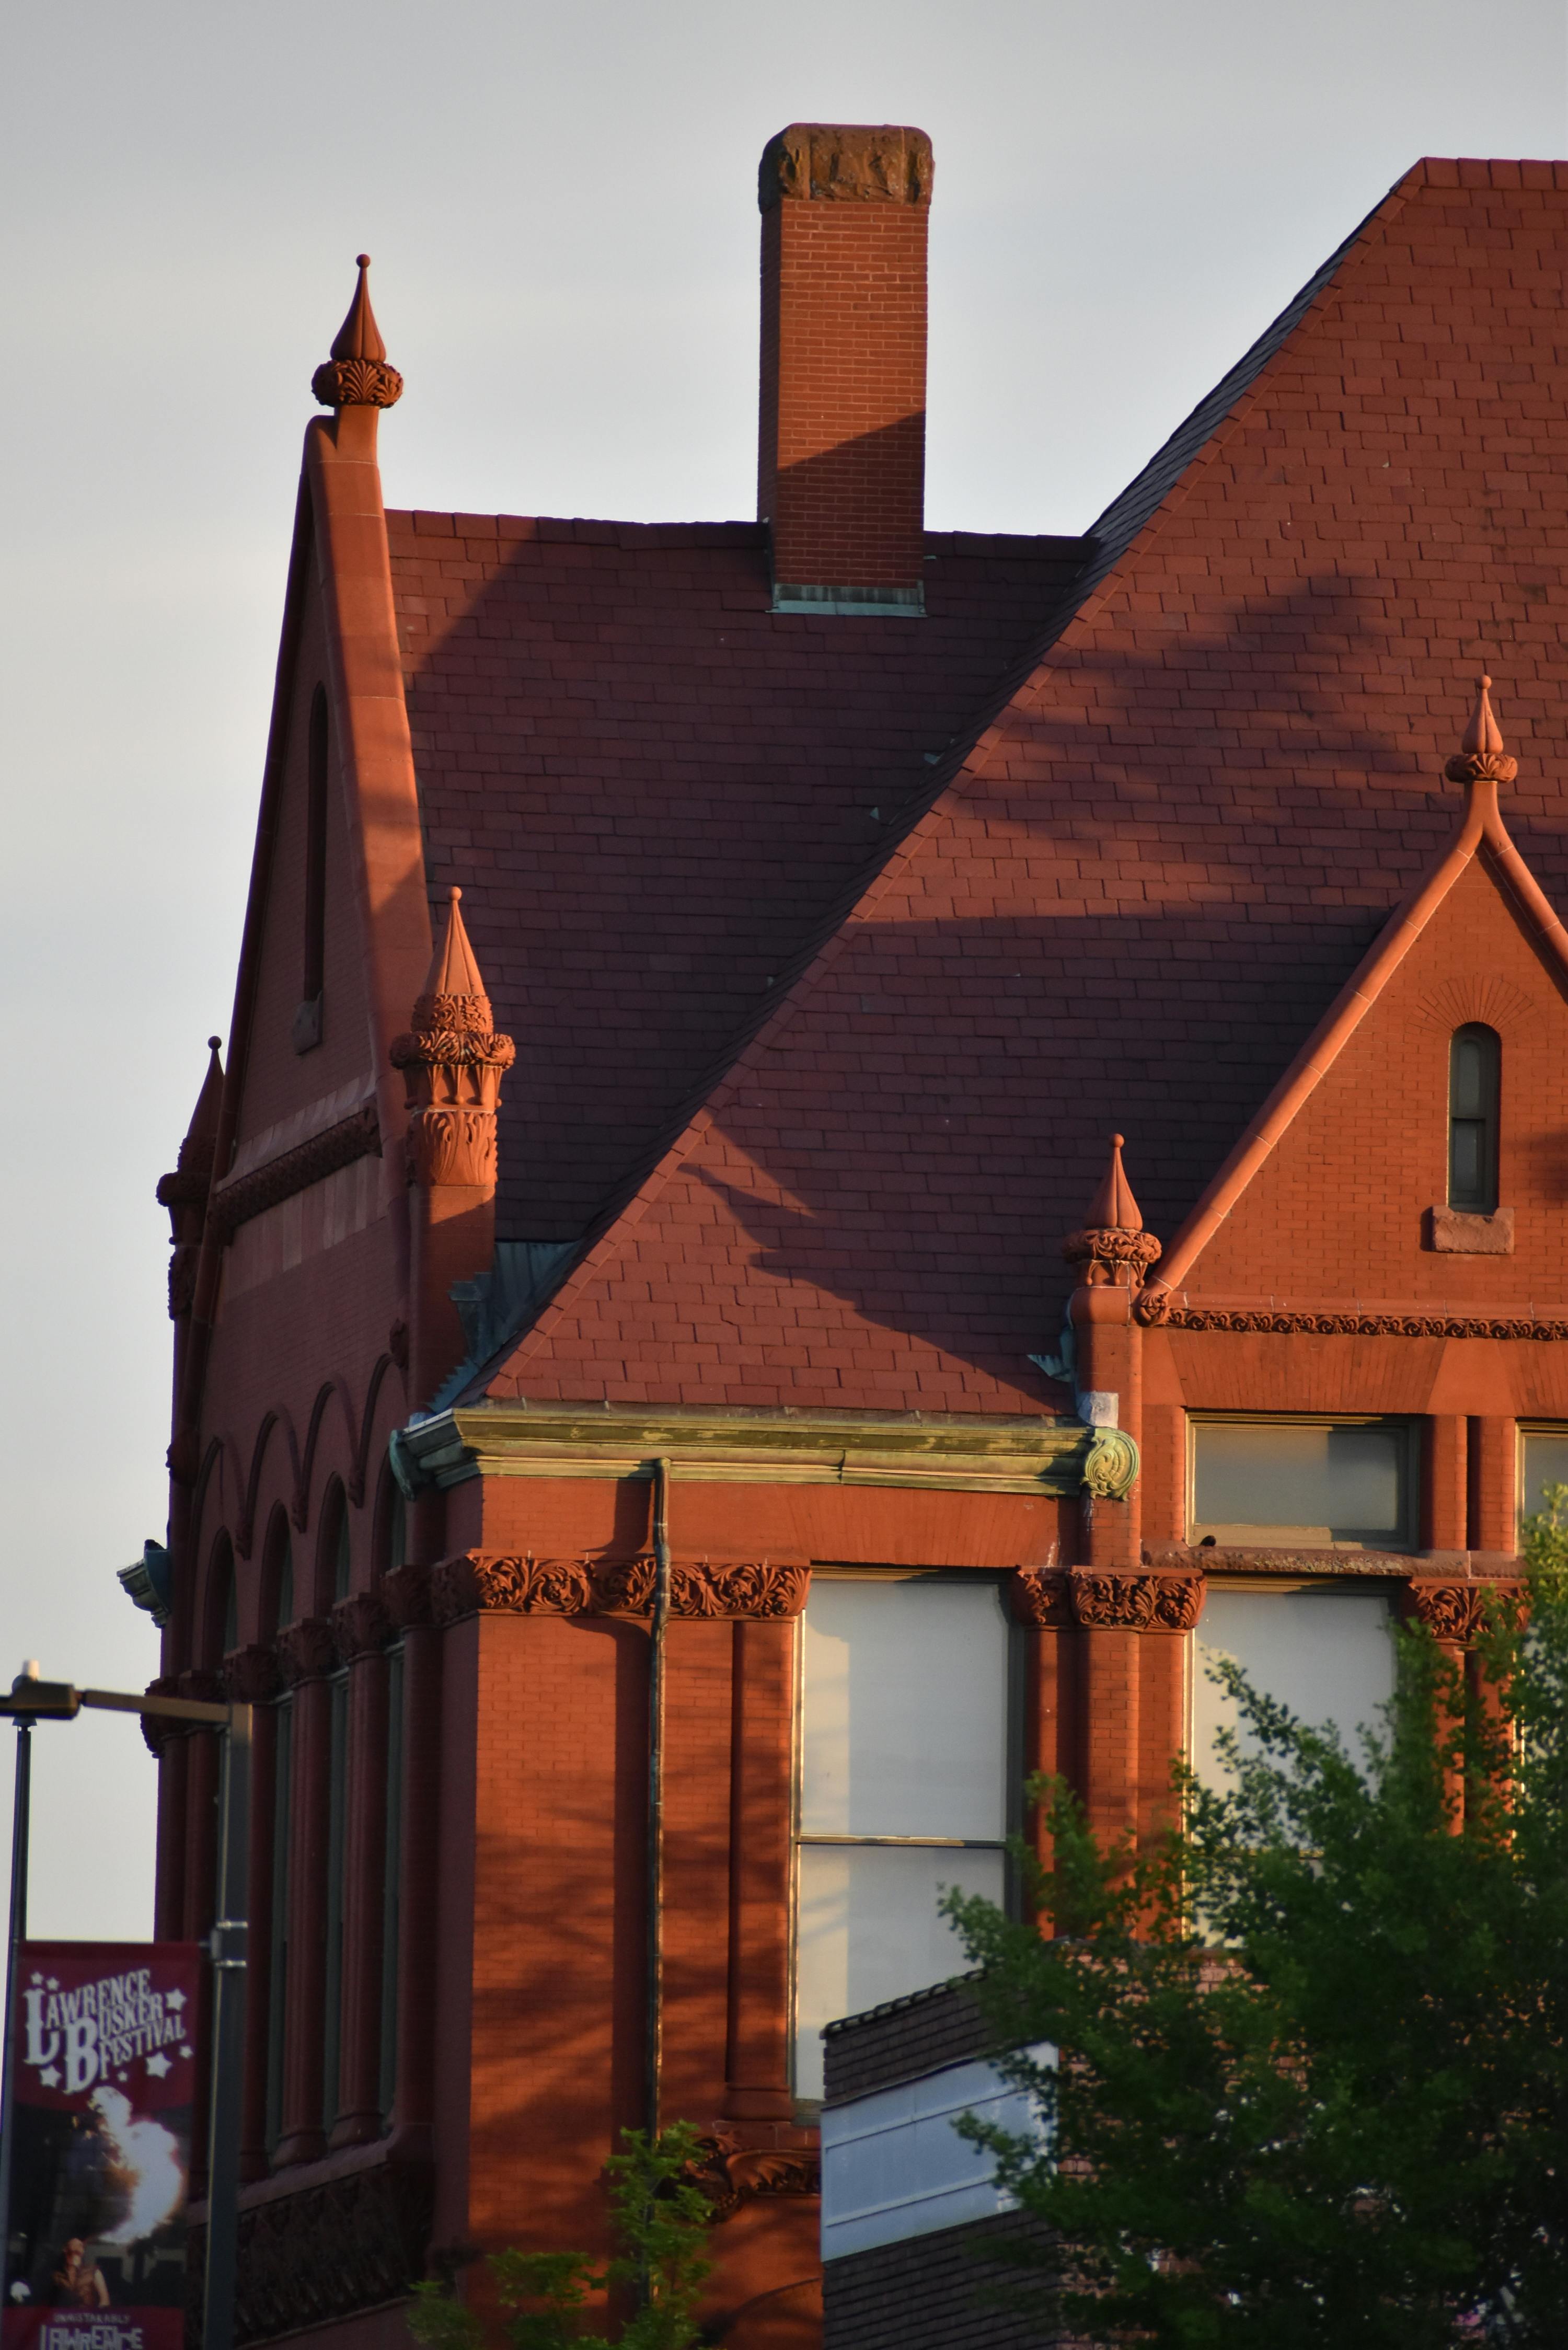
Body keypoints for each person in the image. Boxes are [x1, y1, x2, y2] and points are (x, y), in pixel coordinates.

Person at [52, 2241, 109, 2309]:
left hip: (88, 2314)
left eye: (78, 2252)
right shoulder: (57, 2276)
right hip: (65, 2314)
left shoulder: (94, 2272)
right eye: (71, 2252)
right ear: (65, 2250)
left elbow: (105, 2302)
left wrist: (95, 2314)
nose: (74, 2255)